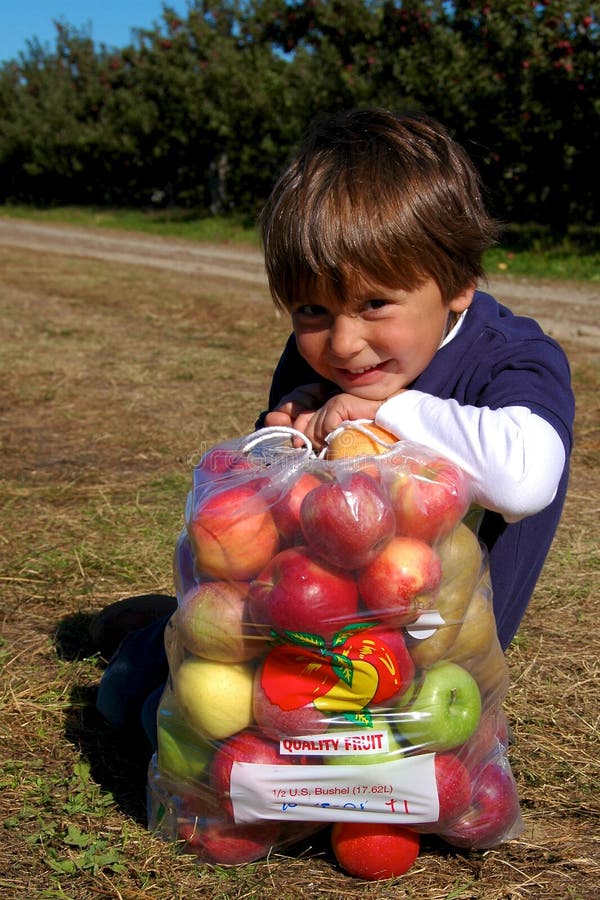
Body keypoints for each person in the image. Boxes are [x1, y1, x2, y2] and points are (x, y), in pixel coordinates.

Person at [93, 107, 574, 747]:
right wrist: (279, 440)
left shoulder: (512, 358)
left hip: (435, 658)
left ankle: (157, 625)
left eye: (375, 303)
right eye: (312, 309)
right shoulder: (312, 353)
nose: (344, 344)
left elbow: (523, 483)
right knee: (130, 705)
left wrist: (387, 411)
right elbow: (267, 523)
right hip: (307, 628)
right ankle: (158, 629)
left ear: (459, 282)